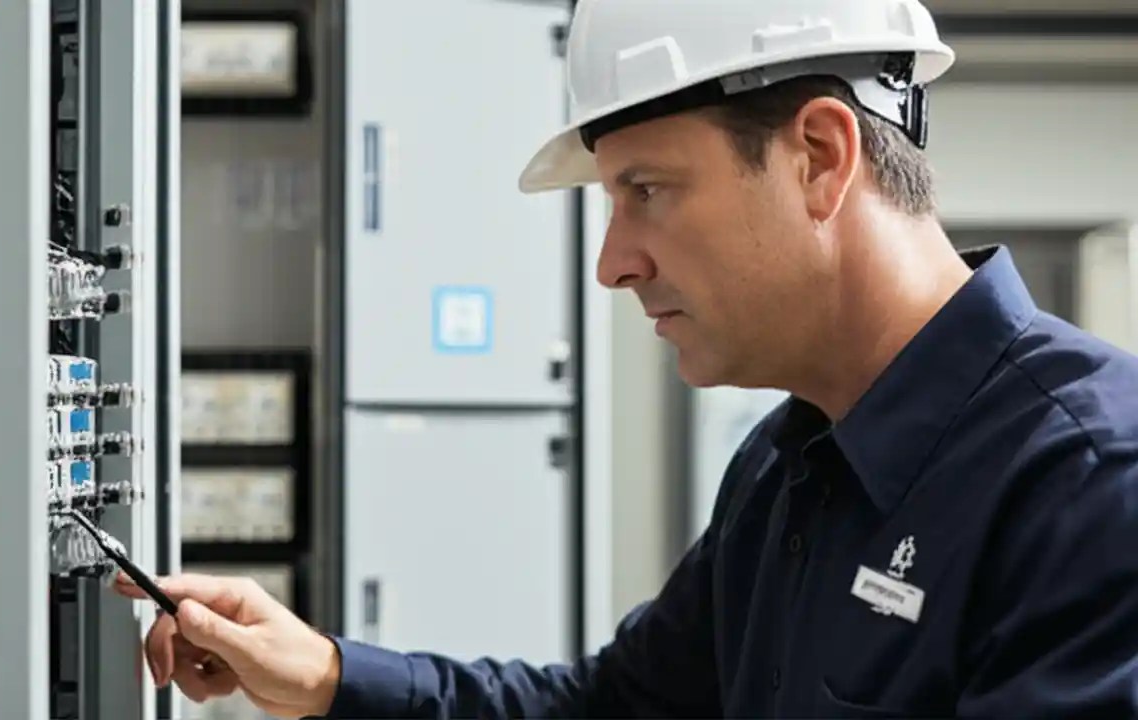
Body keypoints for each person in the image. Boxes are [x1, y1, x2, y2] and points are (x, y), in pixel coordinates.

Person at [119, 0, 1138, 716]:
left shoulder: (1086, 486)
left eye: (646, 190)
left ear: (818, 158)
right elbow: (616, 708)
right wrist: (330, 677)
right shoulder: (788, 466)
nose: (612, 263)